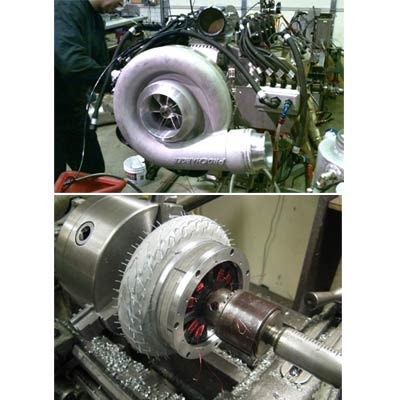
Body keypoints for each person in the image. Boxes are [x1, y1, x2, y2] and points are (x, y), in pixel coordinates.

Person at [54, 0, 123, 181]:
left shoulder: (95, 18)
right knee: (55, 178)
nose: (121, 4)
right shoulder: (64, 8)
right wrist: (117, 79)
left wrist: (113, 89)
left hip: (74, 109)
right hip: (54, 111)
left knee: (93, 171)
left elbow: (100, 64)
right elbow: (72, 63)